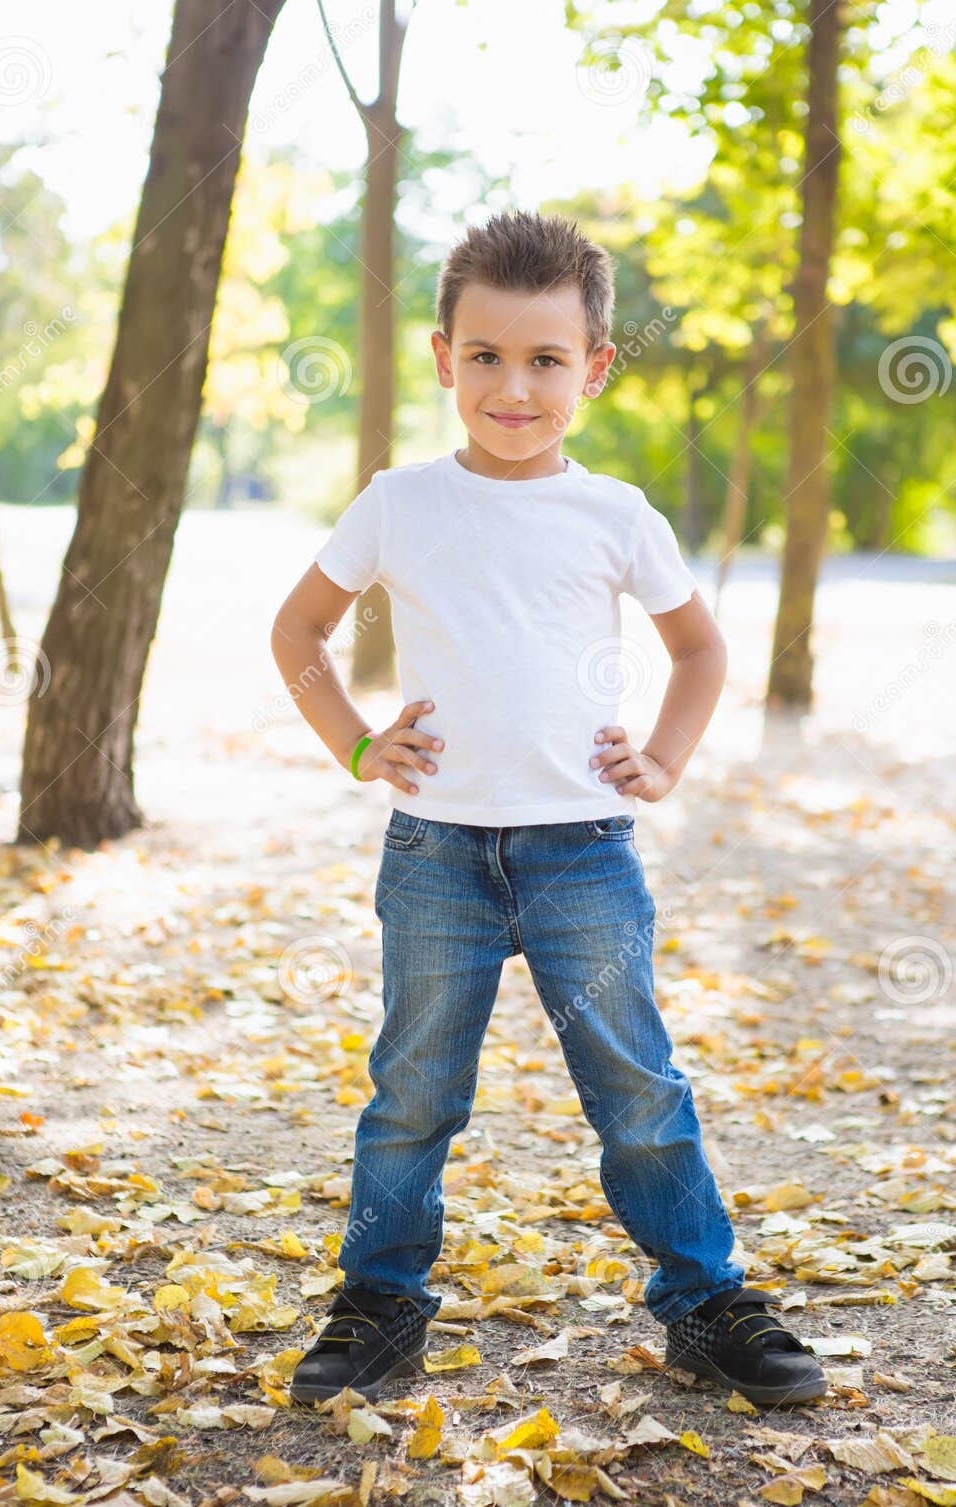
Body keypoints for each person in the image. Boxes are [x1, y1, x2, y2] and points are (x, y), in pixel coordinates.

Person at [269, 208, 826, 1411]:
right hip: (437, 853)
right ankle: (380, 1299)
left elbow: (697, 651)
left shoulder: (614, 512)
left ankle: (702, 1297)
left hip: (583, 852)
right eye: (484, 357)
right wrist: (359, 743)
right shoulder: (397, 501)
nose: (511, 387)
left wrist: (664, 761)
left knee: (637, 1089)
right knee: (412, 1092)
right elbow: (298, 632)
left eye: (543, 360)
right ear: (440, 358)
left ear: (594, 367)